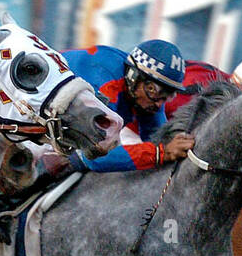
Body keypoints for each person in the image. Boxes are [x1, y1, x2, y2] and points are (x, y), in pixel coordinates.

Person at [58, 39, 195, 172]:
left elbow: (161, 140)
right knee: (64, 161)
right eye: (153, 90)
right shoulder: (107, 85)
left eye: (168, 95)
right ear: (133, 76)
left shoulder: (149, 96)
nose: (159, 104)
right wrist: (161, 153)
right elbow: (95, 156)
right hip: (43, 112)